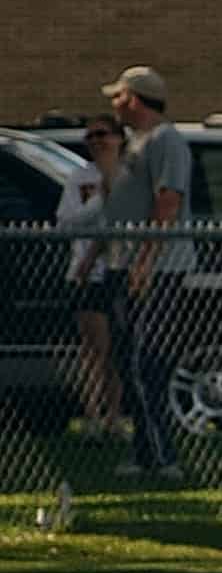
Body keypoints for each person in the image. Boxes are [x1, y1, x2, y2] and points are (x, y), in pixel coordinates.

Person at [97, 66, 196, 480]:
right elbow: (117, 204)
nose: (113, 105)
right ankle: (142, 453)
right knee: (127, 359)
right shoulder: (131, 144)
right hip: (123, 264)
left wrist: (145, 262)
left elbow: (167, 202)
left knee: (147, 360)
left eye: (118, 97)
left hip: (158, 268)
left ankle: (164, 456)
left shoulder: (166, 141)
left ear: (134, 99)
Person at [57, 115, 129, 440]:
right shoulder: (79, 177)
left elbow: (126, 218)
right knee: (94, 348)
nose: (97, 141)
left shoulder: (129, 175)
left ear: (119, 138)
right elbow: (67, 221)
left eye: (103, 134)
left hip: (121, 269)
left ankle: (115, 418)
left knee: (117, 348)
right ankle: (92, 417)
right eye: (90, 136)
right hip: (86, 274)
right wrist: (102, 200)